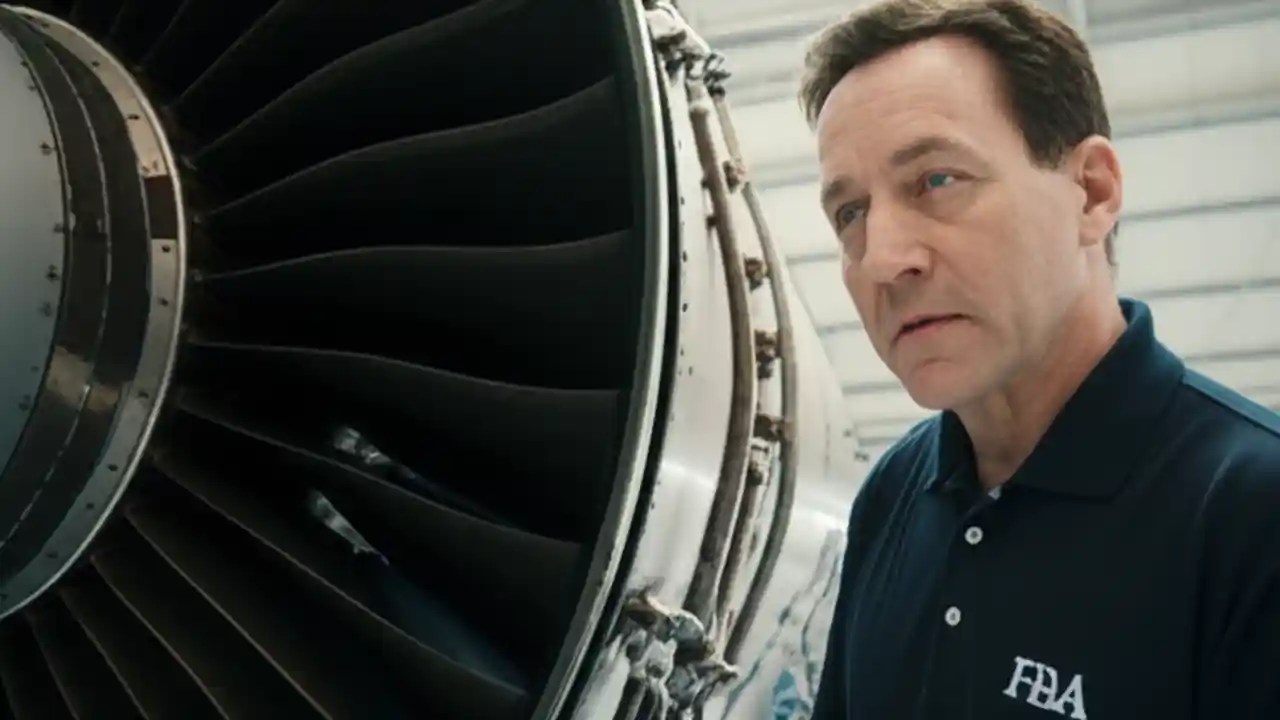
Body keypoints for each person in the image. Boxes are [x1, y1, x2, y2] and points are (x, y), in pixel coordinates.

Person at [799, 0, 1280, 718]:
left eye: (936, 180)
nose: (882, 258)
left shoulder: (1249, 514)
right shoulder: (893, 493)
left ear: (1092, 192)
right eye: (850, 213)